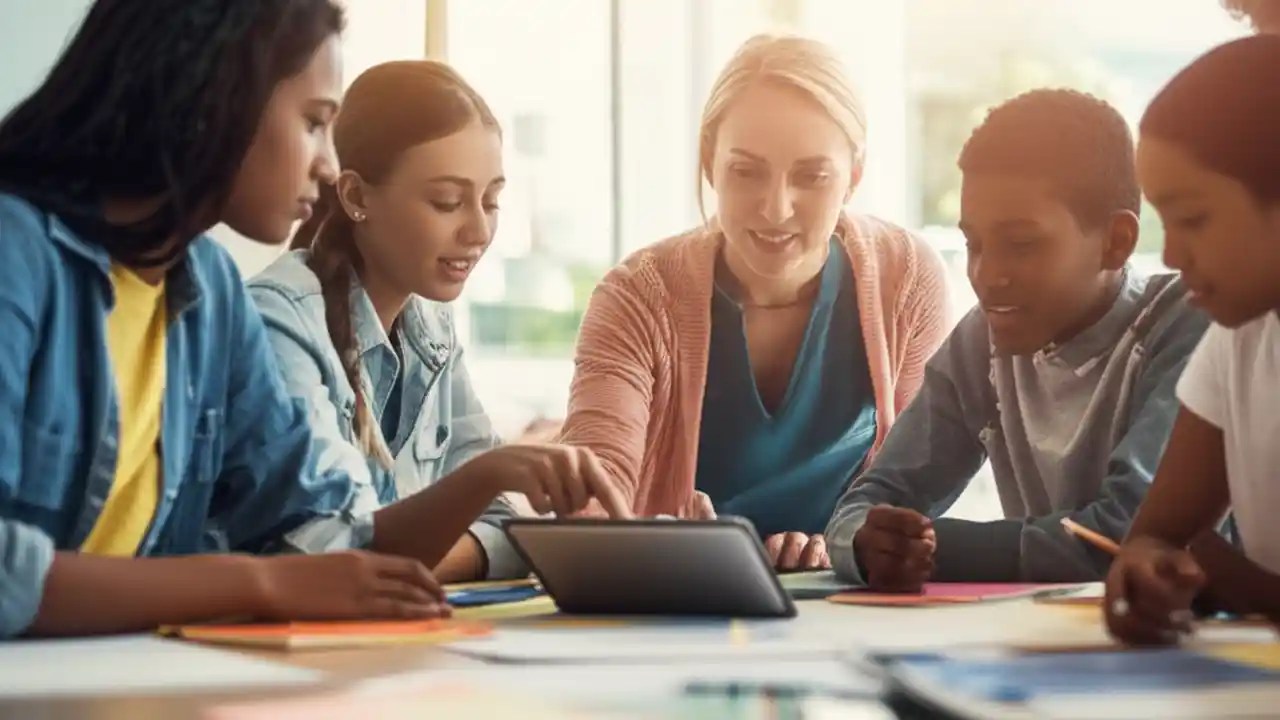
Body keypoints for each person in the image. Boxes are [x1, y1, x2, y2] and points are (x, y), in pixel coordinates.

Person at [0, 0, 624, 639]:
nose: (327, 164)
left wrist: (494, 472)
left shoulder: (211, 295)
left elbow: (339, 539)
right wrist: (256, 582)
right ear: (213, 98)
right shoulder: (15, 252)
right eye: (314, 122)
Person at [557, 34, 950, 571]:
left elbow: (919, 489)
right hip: (681, 592)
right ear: (708, 164)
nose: (776, 208)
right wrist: (674, 541)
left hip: (846, 593)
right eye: (747, 171)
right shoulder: (635, 298)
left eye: (811, 177)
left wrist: (840, 547)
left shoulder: (907, 278)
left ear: (853, 177)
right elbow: (591, 499)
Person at [826, 90, 1209, 589]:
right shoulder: (983, 340)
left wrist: (936, 550)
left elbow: (1127, 537)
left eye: (1022, 245)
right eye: (973, 244)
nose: (987, 275)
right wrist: (866, 543)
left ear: (1116, 241)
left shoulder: (1187, 326)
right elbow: (870, 500)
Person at [249, 61, 521, 582]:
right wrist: (446, 548)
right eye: (447, 202)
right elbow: (331, 559)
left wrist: (411, 565)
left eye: (491, 201)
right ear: (355, 196)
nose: (479, 230)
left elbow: (506, 526)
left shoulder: (432, 332)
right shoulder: (278, 323)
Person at [1105, 35, 1280, 645]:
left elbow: (1231, 576)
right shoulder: (1239, 337)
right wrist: (1147, 576)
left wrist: (1244, 587)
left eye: (1195, 219)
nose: (1174, 256)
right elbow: (1156, 536)